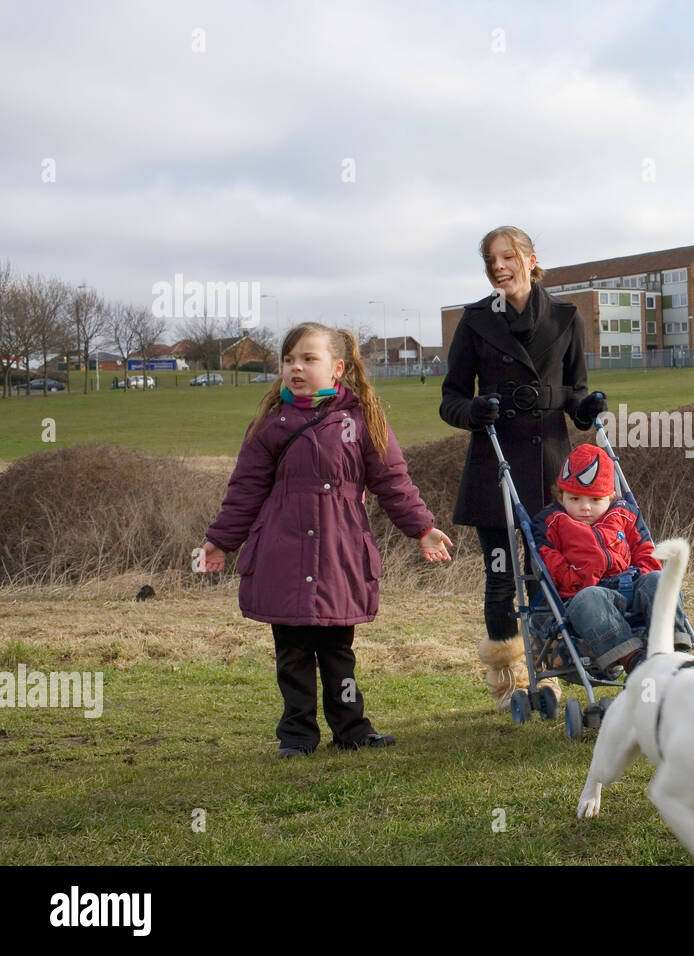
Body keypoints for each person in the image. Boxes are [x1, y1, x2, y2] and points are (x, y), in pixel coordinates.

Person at [200, 322, 452, 757]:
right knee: (292, 654)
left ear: (337, 368)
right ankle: (296, 736)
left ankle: (352, 729)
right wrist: (219, 541)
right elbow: (244, 490)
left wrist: (422, 528)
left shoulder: (363, 418)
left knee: (339, 652)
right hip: (283, 554)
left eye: (308, 359)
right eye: (288, 360)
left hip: (340, 553)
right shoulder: (268, 423)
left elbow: (393, 481)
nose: (295, 368)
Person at [440, 226, 608, 711]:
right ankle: (507, 679)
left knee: (545, 572)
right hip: (493, 464)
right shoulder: (474, 322)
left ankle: (548, 673)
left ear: (531, 260)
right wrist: (474, 411)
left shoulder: (566, 317)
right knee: (500, 574)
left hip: (550, 469)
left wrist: (586, 407)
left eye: (507, 256)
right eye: (490, 260)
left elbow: (577, 390)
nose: (498, 267)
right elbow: (450, 400)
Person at [531, 444, 688, 675]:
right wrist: (578, 580)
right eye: (574, 499)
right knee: (589, 598)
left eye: (595, 500)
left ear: (610, 496)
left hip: (631, 586)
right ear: (561, 496)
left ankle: (674, 648)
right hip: (585, 594)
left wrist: (644, 576)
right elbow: (550, 562)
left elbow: (645, 551)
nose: (585, 508)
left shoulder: (624, 514)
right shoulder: (553, 522)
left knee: (658, 579)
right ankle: (633, 660)